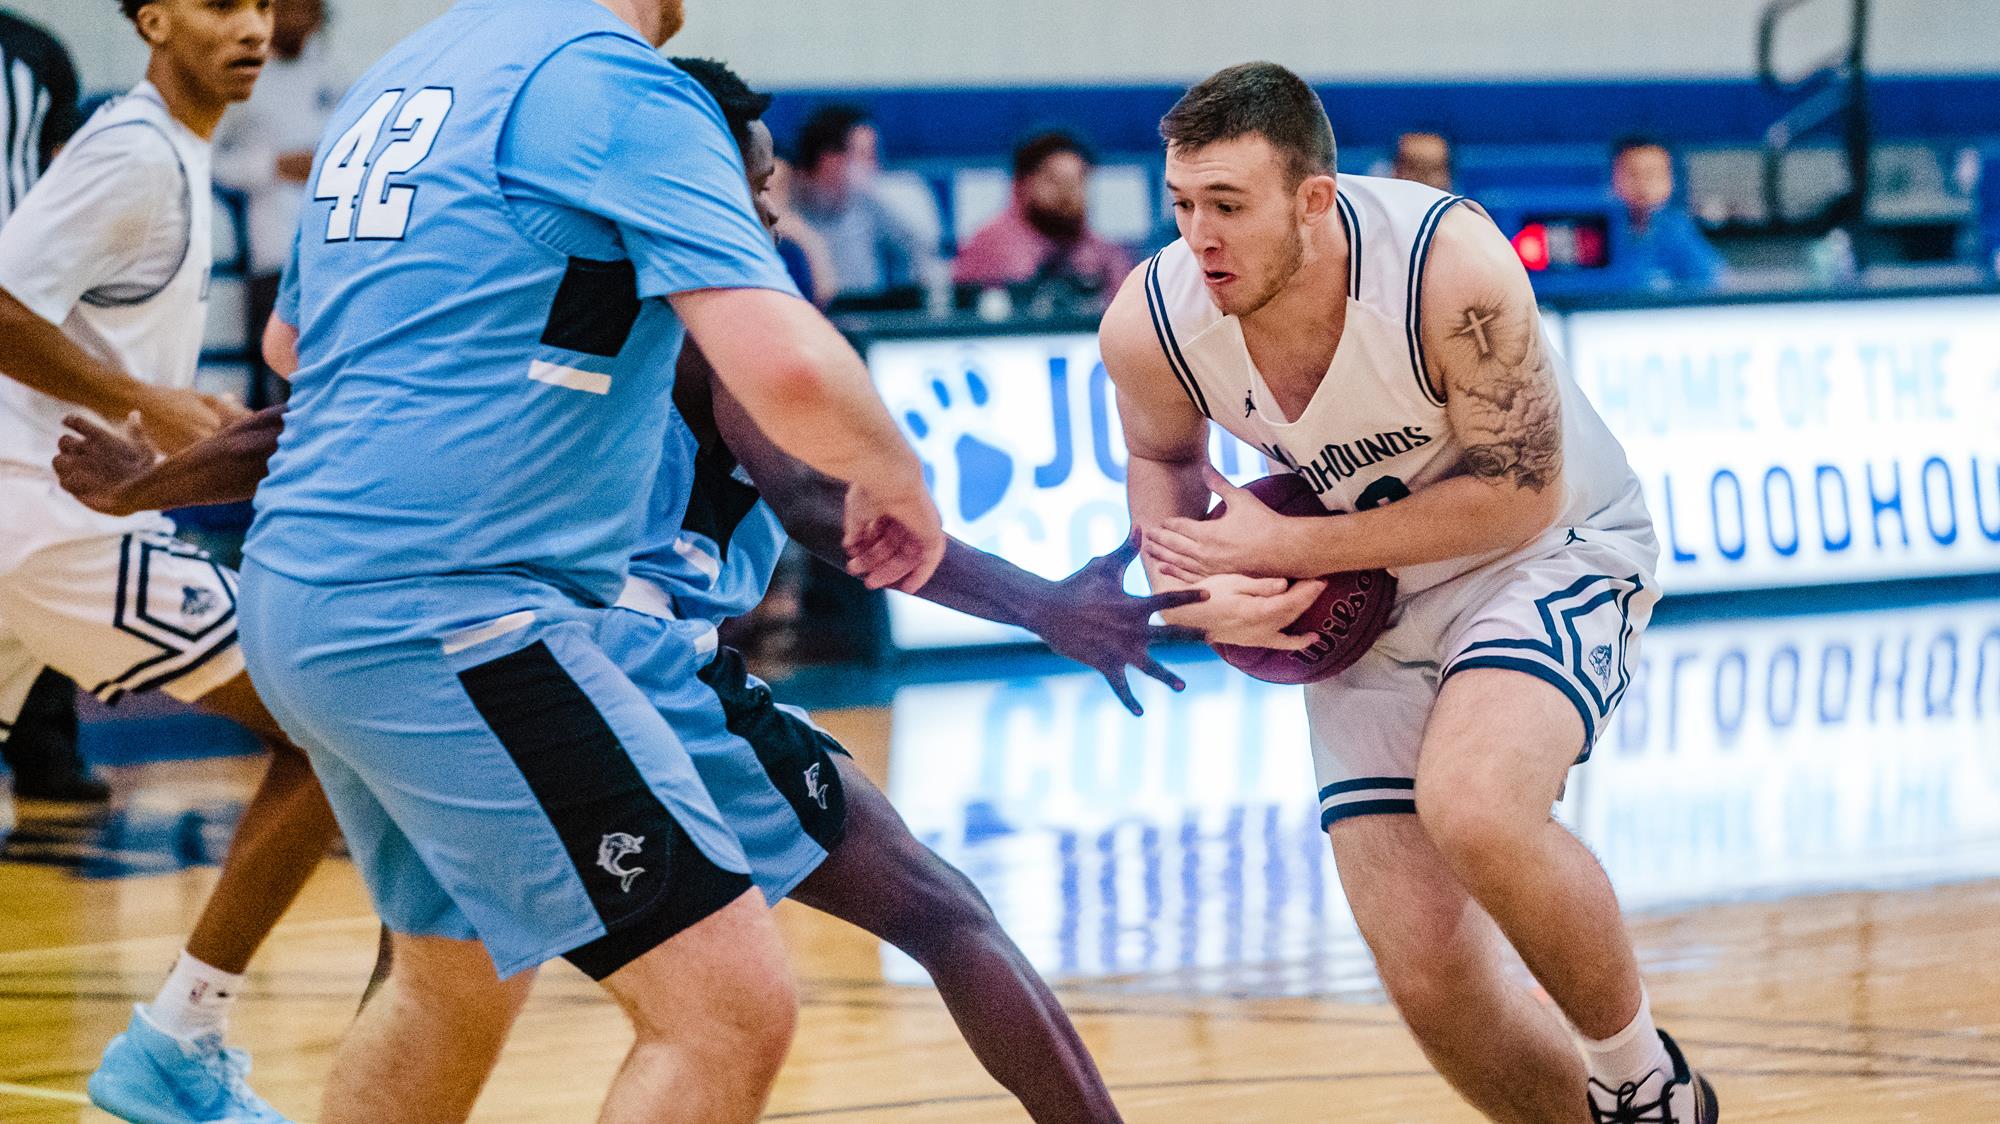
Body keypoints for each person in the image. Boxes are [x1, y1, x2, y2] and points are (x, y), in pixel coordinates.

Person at [56, 54, 1203, 1122]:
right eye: (745, 181)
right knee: (922, 921)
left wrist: (153, 485)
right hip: (619, 658)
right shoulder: (708, 305)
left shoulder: (517, 281)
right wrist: (1045, 605)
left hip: (443, 654)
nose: (761, 208)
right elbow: (819, 507)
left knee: (438, 978)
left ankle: (179, 1032)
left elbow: (306, 421)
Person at [233, 0, 956, 1115]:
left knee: (450, 981)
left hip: (301, 592)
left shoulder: (403, 74)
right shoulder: (617, 86)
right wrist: (896, 476)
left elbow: (289, 342)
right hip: (456, 608)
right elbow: (783, 360)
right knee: (724, 1012)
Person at [1099, 63, 1715, 1124]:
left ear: (1311, 198)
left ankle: (1643, 1085)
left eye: (1228, 207)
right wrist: (1198, 592)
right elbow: (1160, 466)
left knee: (1474, 804)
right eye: (1181, 204)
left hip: (1544, 551)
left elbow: (1519, 496)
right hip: (1371, 600)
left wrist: (1289, 539)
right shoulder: (1150, 320)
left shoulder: (1447, 266)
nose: (1199, 237)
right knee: (1426, 970)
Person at [0, 4, 339, 1123]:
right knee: (337, 726)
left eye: (257, 3)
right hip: (52, 521)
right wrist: (148, 402)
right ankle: (177, 1036)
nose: (246, 24)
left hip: (41, 517)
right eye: (216, 1)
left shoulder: (170, 151)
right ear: (152, 19)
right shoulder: (136, 151)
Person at [0, 9, 100, 803]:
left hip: (19, 315)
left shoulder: (34, 51)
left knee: (38, 517)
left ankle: (47, 750)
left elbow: (62, 177)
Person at [212, 0, 341, 403]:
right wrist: (274, 166)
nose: (300, 18)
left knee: (331, 369)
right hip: (274, 249)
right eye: (291, 8)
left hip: (335, 247)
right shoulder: (243, 78)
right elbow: (210, 159)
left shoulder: (333, 75)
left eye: (309, 10)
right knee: (283, 375)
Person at [952, 130, 1132, 309]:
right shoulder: (989, 246)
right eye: (1055, 181)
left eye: (1078, 181)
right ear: (1022, 184)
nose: (1067, 194)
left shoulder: (1102, 254)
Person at [790, 103, 940, 302]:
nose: (874, 166)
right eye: (865, 156)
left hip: (867, 316)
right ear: (830, 160)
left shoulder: (867, 205)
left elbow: (919, 251)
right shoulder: (785, 207)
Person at [1606, 135, 1727, 292]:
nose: (1643, 185)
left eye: (1653, 175)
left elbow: (1712, 280)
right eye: (1632, 174)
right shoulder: (1597, 229)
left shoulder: (1676, 229)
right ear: (1612, 179)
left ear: (1670, 181)